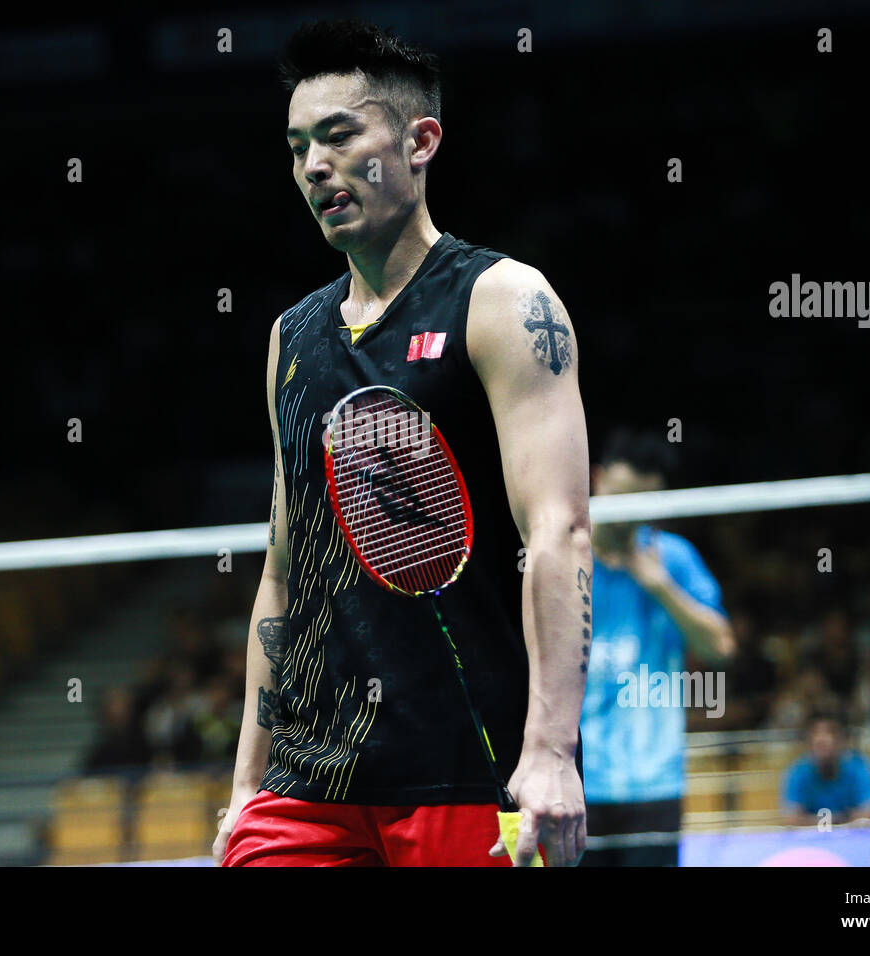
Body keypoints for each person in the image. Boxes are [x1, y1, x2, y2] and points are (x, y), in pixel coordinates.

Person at [215, 19, 591, 867]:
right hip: (308, 786)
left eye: (341, 135)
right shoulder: (292, 336)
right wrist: (246, 786)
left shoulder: (501, 302)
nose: (315, 165)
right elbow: (283, 570)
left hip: (470, 775)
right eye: (298, 146)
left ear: (421, 141)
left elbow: (557, 532)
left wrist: (553, 751)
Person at [580, 428, 735, 866]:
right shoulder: (564, 559)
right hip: (576, 780)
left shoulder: (674, 557)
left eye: (645, 505)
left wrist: (661, 586)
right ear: (598, 479)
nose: (632, 516)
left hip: (654, 782)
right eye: (625, 499)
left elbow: (720, 648)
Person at [782, 706, 870, 825]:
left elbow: (869, 815)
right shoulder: (797, 772)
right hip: (815, 840)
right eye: (816, 733)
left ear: (842, 738)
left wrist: (816, 821)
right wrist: (839, 820)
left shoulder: (861, 768)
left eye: (830, 732)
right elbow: (791, 819)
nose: (822, 739)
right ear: (808, 740)